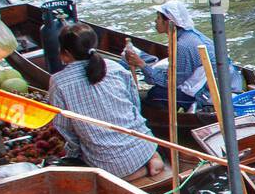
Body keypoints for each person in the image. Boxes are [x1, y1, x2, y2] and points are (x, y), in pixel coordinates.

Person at [48, 24, 167, 183]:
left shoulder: (58, 82)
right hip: (143, 145)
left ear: (66, 53)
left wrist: (74, 153)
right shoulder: (115, 67)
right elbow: (134, 107)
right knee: (138, 137)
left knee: (85, 165)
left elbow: (65, 129)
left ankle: (137, 172)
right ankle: (150, 161)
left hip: (109, 163)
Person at [123, 1, 241, 107]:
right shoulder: (191, 34)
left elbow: (170, 82)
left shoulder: (183, 46)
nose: (155, 21)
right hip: (227, 81)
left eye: (158, 18)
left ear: (169, 22)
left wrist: (142, 64)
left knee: (154, 94)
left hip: (208, 92)